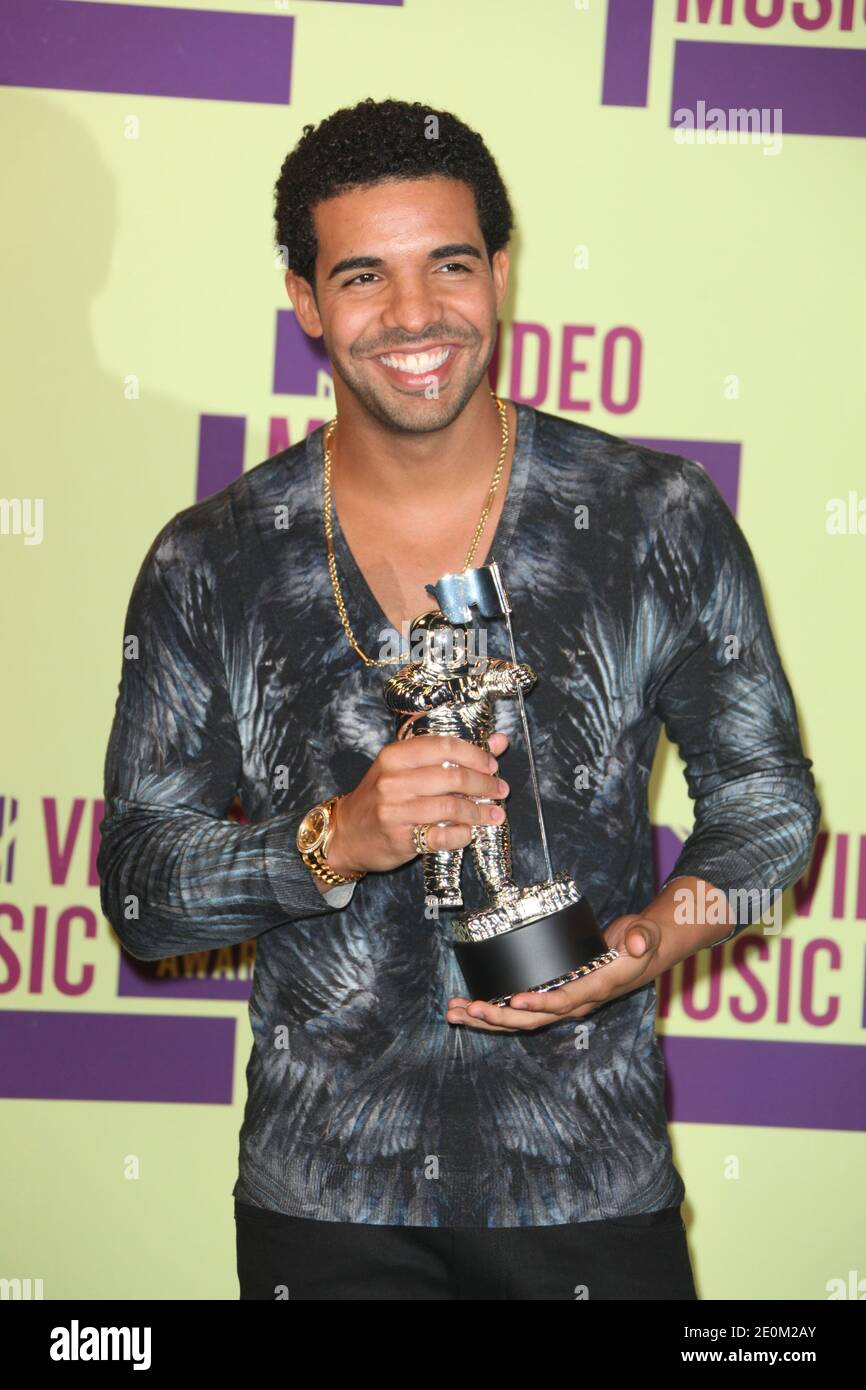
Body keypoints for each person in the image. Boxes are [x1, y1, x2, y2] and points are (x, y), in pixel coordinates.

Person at [97, 98, 821, 1301]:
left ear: (499, 270)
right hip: (323, 1200)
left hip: (586, 1179)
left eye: (448, 264)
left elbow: (770, 813)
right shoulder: (209, 558)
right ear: (305, 303)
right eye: (363, 277)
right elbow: (139, 891)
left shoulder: (650, 515)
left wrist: (644, 945)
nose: (415, 315)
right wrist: (335, 840)